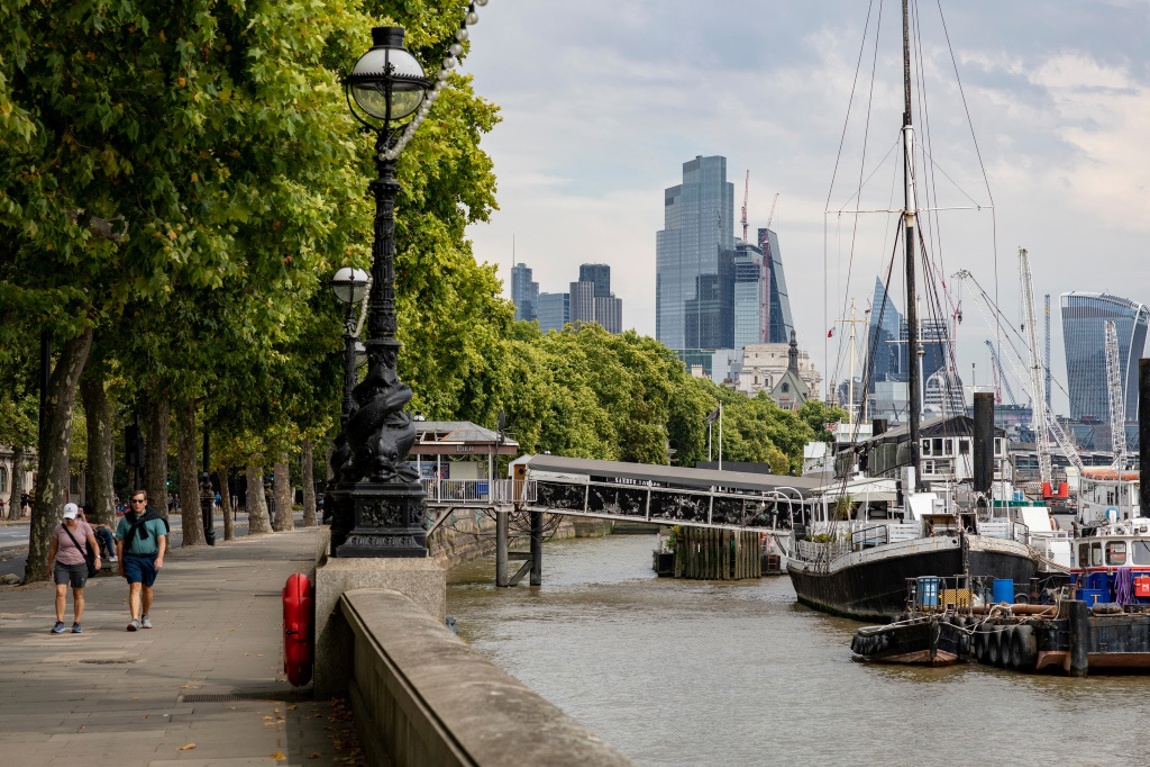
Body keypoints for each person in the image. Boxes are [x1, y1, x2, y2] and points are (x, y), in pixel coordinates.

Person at [115, 490, 168, 632]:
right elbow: (120, 542)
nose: (137, 504)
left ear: (145, 502)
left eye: (140, 501)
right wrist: (120, 563)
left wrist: (160, 558)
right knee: (135, 586)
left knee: (147, 587)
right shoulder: (125, 520)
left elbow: (162, 540)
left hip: (150, 557)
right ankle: (134, 619)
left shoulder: (155, 519)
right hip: (132, 558)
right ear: (130, 503)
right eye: (134, 501)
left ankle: (145, 615)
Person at [46, 502, 100, 634]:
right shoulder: (59, 528)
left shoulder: (84, 527)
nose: (69, 520)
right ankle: (59, 622)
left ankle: (77, 622)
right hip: (62, 563)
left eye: (71, 518)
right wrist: (49, 564)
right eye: (67, 518)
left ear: (77, 515)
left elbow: (93, 543)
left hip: (79, 564)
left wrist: (97, 557)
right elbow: (54, 548)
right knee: (60, 591)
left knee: (78, 593)